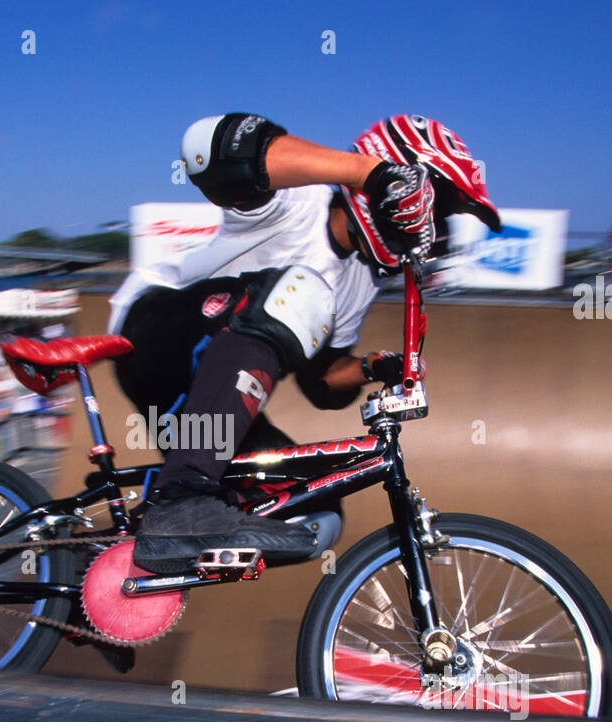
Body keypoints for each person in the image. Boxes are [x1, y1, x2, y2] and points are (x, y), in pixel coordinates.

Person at [110, 113, 501, 574]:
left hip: (197, 407)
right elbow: (206, 148)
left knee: (317, 505)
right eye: (437, 211)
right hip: (154, 334)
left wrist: (375, 368)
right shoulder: (299, 202)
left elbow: (320, 382)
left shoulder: (359, 282)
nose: (432, 231)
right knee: (303, 293)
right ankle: (181, 504)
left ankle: (113, 566)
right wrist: (370, 174)